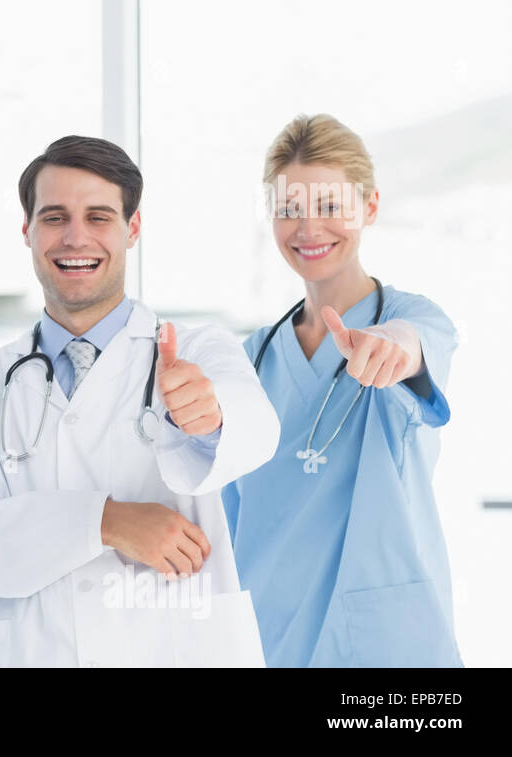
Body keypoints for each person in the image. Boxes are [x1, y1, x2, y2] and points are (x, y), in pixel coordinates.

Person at [0, 136, 280, 667]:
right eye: (54, 217)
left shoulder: (200, 349)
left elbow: (257, 430)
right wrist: (103, 522)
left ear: (131, 229)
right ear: (26, 231)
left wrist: (212, 416)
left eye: (98, 216)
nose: (75, 237)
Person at [222, 114, 461, 667]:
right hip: (267, 636)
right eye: (289, 209)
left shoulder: (409, 319)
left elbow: (416, 344)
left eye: (330, 206)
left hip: (384, 651)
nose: (309, 228)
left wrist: (392, 345)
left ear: (369, 208)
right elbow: (224, 510)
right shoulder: (251, 358)